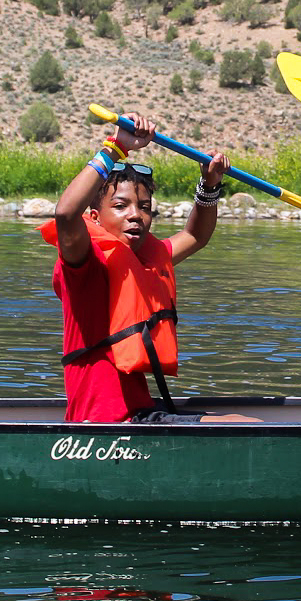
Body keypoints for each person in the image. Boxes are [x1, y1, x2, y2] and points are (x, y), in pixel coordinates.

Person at [44, 111, 246, 424]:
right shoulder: (82, 264)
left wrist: (209, 184)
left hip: (141, 413)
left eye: (145, 208)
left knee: (243, 421)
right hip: (105, 422)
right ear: (95, 218)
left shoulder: (145, 259)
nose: (136, 215)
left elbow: (195, 236)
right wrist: (116, 147)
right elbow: (66, 214)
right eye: (121, 206)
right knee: (245, 426)